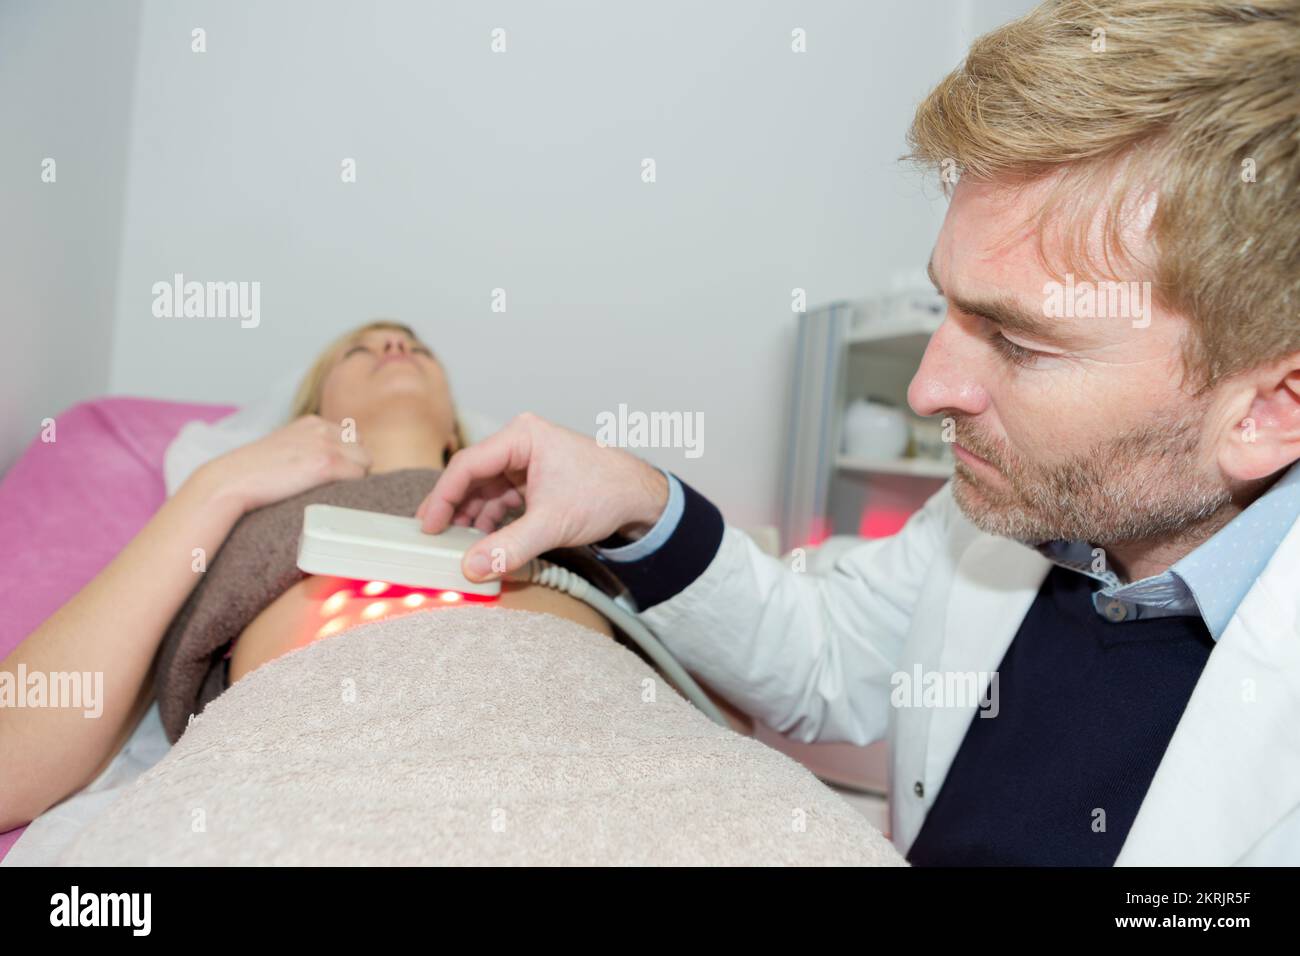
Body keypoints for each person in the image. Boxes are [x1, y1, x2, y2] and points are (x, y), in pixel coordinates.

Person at [416, 0, 1300, 865]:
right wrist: (641, 506)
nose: (927, 389)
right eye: (944, 306)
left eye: (1018, 341)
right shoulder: (1034, 512)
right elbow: (828, 657)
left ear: (1271, 409)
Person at [0, 321, 620, 832]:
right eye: (359, 349)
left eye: (418, 346)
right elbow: (12, 759)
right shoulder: (242, 519)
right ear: (310, 411)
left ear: (459, 430)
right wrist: (219, 486)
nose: (394, 345)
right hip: (311, 795)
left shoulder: (561, 507)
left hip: (595, 772)